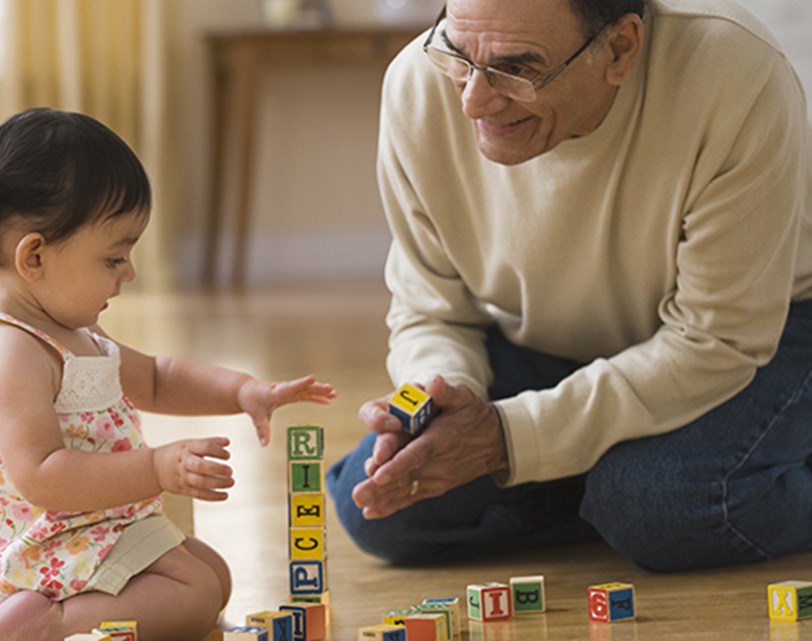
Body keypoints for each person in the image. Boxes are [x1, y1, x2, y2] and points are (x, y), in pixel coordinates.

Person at [327, 0, 812, 573]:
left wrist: (509, 440)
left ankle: (619, 492)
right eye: (458, 55)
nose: (472, 101)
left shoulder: (734, 73)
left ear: (620, 49)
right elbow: (431, 311)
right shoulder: (418, 83)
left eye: (518, 67)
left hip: (760, 334)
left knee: (658, 505)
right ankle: (604, 489)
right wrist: (439, 402)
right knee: (387, 507)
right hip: (549, 342)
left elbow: (718, 340)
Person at [0, 108, 336, 641]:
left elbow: (157, 378)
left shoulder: (68, 330)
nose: (130, 273)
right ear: (35, 257)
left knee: (214, 574)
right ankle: (42, 621)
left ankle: (21, 615)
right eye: (114, 258)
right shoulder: (8, 350)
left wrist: (244, 391)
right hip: (29, 538)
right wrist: (157, 467)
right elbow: (41, 473)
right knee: (195, 593)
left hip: (79, 523)